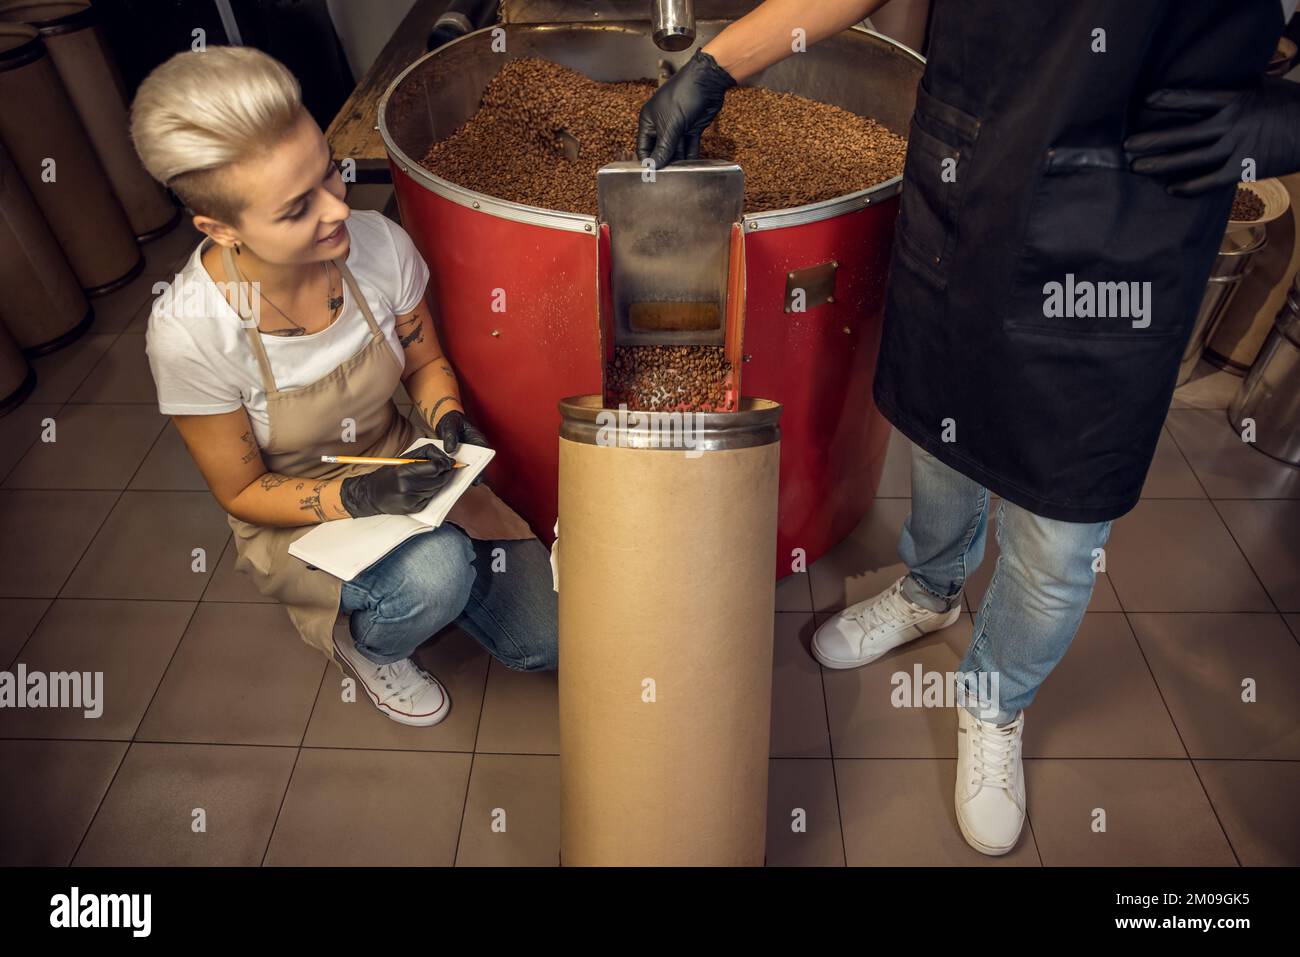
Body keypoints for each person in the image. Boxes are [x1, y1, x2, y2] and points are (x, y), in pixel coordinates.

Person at [637, 0, 1300, 854]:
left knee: (1059, 540)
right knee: (941, 437)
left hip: (1130, 229)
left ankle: (994, 698)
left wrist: (1286, 122)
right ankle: (929, 589)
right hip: (974, 175)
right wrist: (719, 62)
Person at [130, 46, 557, 728]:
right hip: (294, 509)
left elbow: (423, 365)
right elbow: (242, 491)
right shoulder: (190, 332)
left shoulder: (377, 245)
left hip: (400, 455)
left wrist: (444, 417)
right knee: (436, 573)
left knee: (545, 641)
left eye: (331, 171)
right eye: (297, 208)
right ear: (220, 228)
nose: (338, 208)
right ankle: (370, 646)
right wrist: (355, 496)